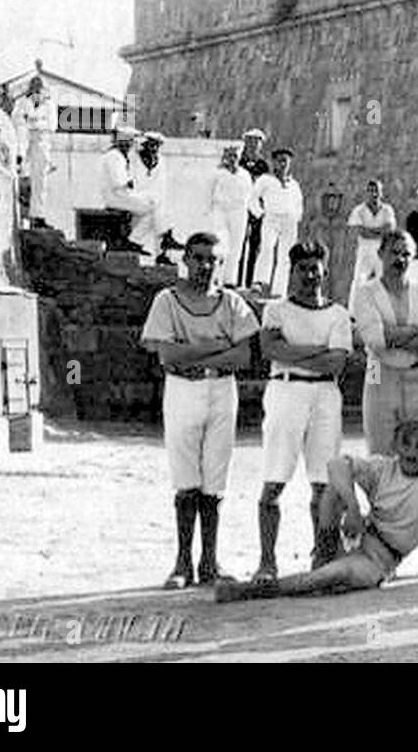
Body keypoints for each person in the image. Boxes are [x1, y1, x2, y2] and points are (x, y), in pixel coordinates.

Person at [215, 419, 418, 602]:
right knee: (333, 491)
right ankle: (325, 551)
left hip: (378, 561)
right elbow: (336, 465)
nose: (412, 452)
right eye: (406, 445)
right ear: (395, 448)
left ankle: (251, 590)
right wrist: (353, 508)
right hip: (359, 535)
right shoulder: (382, 466)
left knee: (327, 577)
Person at [140, 232, 259, 589]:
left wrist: (193, 349)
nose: (205, 266)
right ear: (186, 260)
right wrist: (217, 347)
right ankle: (182, 563)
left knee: (215, 479)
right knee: (185, 478)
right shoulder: (168, 300)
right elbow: (167, 355)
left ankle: (210, 561)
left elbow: (244, 356)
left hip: (222, 390)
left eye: (213, 259)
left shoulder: (232, 302)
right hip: (182, 391)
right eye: (199, 258)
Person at [353, 229, 418, 576]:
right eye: (394, 252)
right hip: (379, 374)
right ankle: (379, 554)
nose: (399, 260)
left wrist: (397, 334)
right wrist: (414, 333)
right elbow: (375, 340)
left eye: (406, 254)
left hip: (417, 375)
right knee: (381, 460)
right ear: (380, 255)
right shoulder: (365, 293)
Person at [253, 241, 353, 588]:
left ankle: (322, 555)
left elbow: (337, 361)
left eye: (316, 268)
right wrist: (317, 354)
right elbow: (269, 349)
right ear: (292, 272)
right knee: (274, 480)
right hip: (285, 392)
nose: (310, 275)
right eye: (303, 269)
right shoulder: (276, 311)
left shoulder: (338, 314)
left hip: (326, 395)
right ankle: (267, 562)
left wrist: (293, 352)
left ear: (325, 271)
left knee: (324, 483)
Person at [251, 147, 304, 297]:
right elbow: (253, 198)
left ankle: (279, 289)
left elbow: (299, 203)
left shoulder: (294, 184)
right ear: (274, 162)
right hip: (271, 218)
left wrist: (296, 216)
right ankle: (260, 282)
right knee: (267, 248)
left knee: (286, 256)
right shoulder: (265, 180)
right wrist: (259, 213)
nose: (282, 164)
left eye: (285, 161)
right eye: (279, 161)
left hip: (289, 221)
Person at [100, 127, 156, 254]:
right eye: (129, 142)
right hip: (116, 196)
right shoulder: (115, 157)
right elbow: (118, 182)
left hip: (118, 195)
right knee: (152, 209)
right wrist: (130, 181)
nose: (131, 145)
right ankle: (133, 240)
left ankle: (132, 238)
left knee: (150, 201)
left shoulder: (116, 155)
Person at [11, 75, 57, 229]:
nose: (38, 94)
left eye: (40, 91)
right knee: (22, 174)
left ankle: (38, 215)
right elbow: (18, 121)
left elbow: (51, 125)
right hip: (26, 137)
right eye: (35, 91)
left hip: (41, 140)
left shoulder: (49, 105)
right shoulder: (22, 103)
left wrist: (34, 122)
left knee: (40, 179)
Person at [346, 178, 397, 313]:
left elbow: (389, 229)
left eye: (376, 191)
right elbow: (360, 232)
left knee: (384, 281)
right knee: (359, 280)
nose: (373, 194)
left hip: (382, 251)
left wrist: (370, 231)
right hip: (365, 250)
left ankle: (386, 312)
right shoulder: (359, 210)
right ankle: (353, 313)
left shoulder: (387, 210)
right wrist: (378, 231)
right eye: (370, 191)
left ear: (381, 193)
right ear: (366, 193)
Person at [134, 131, 184, 265]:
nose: (154, 149)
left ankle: (162, 252)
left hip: (153, 200)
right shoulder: (135, 159)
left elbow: (160, 185)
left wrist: (155, 199)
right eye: (151, 145)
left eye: (156, 146)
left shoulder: (160, 161)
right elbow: (135, 180)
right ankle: (165, 239)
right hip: (136, 198)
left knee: (159, 213)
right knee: (157, 214)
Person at [209, 145, 255, 287]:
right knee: (221, 244)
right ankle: (216, 277)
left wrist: (253, 216)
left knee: (236, 247)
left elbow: (249, 197)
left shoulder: (245, 175)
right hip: (221, 211)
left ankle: (230, 280)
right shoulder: (217, 174)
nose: (232, 159)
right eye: (229, 156)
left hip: (239, 213)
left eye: (235, 156)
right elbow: (209, 193)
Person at [237, 128, 271, 287]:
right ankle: (236, 280)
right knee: (239, 243)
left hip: (256, 208)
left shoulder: (263, 165)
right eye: (250, 142)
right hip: (241, 205)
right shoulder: (239, 162)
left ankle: (250, 281)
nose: (253, 145)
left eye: (257, 142)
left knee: (254, 244)